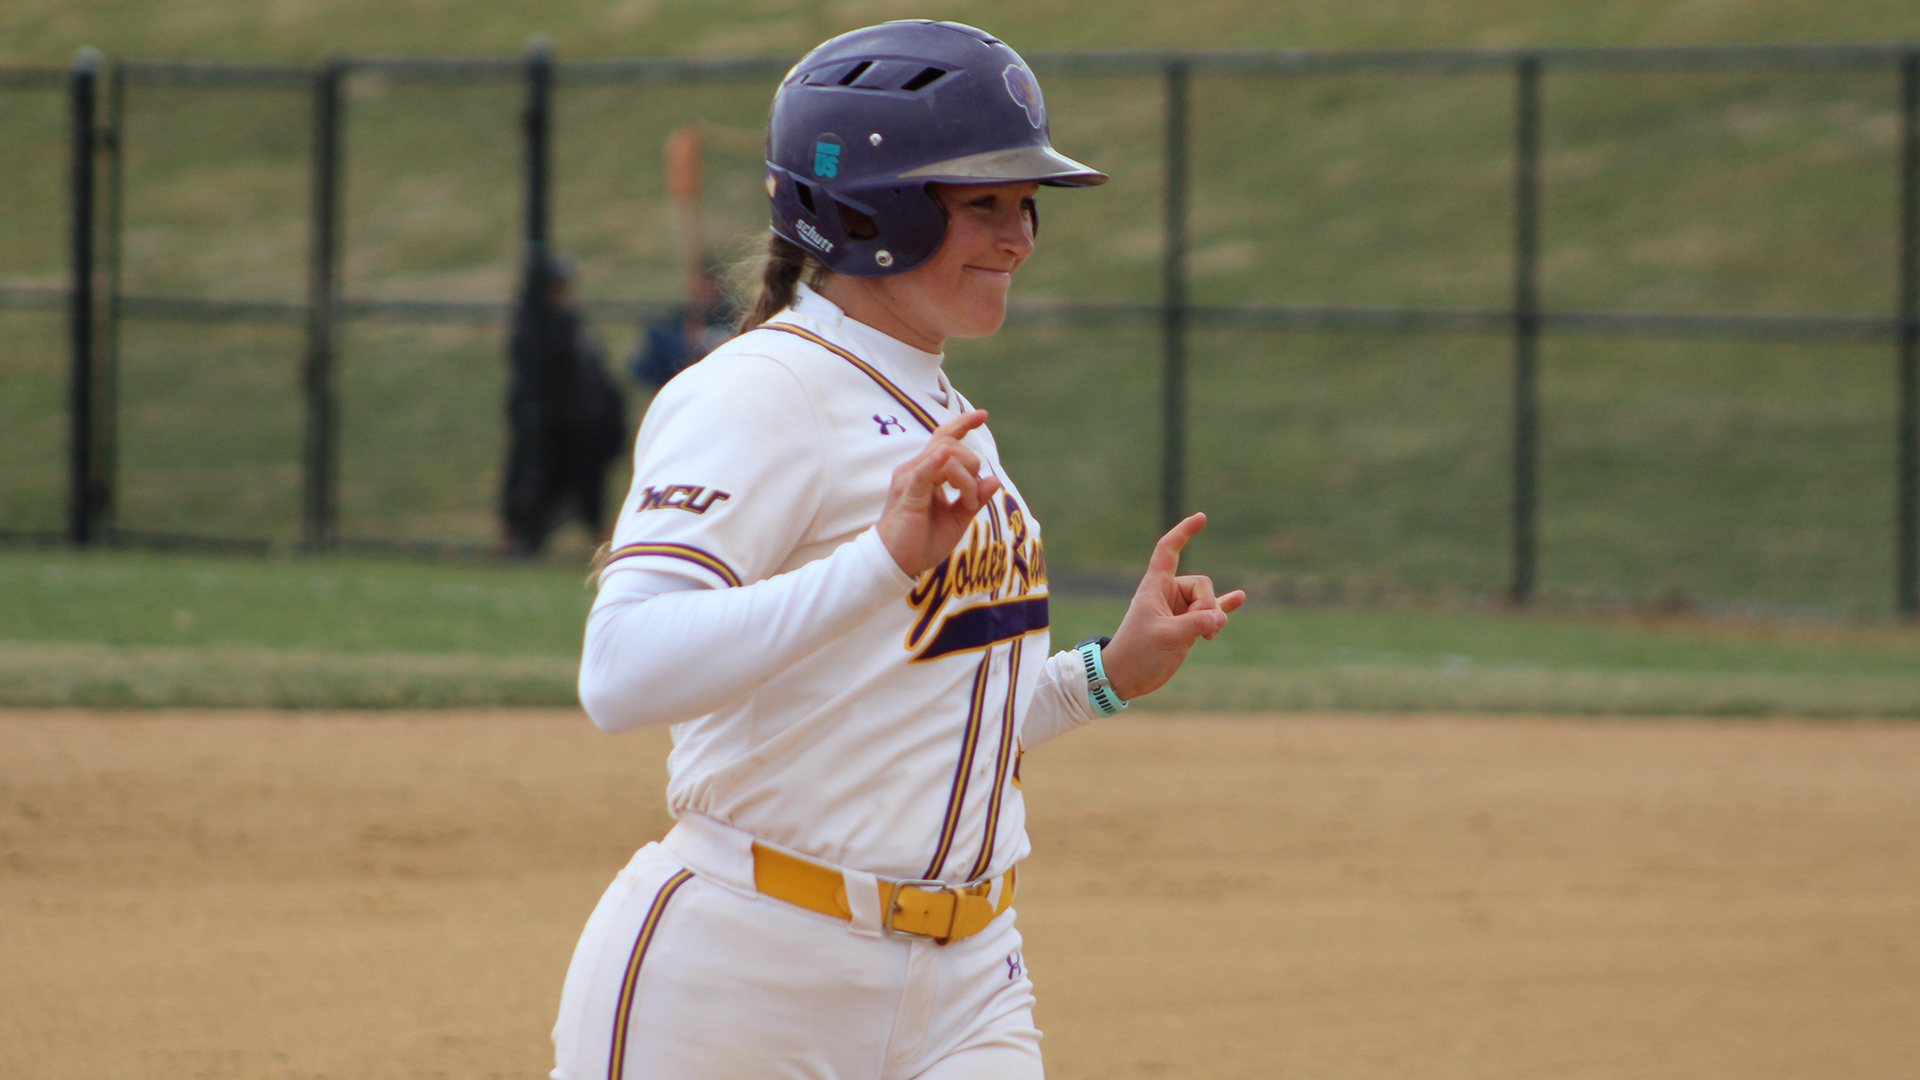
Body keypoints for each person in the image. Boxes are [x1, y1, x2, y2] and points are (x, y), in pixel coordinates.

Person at [553, 21, 1246, 1079]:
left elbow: (926, 709)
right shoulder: (762, 391)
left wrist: (1109, 674)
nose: (1018, 236)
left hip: (971, 983)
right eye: (983, 205)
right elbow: (621, 672)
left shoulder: (940, 405)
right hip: (748, 977)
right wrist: (878, 562)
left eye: (1025, 207)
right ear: (867, 210)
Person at [502, 253, 629, 557]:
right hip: (554, 427)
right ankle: (525, 542)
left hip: (584, 426)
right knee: (538, 487)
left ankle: (599, 546)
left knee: (589, 490)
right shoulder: (535, 324)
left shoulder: (570, 321)